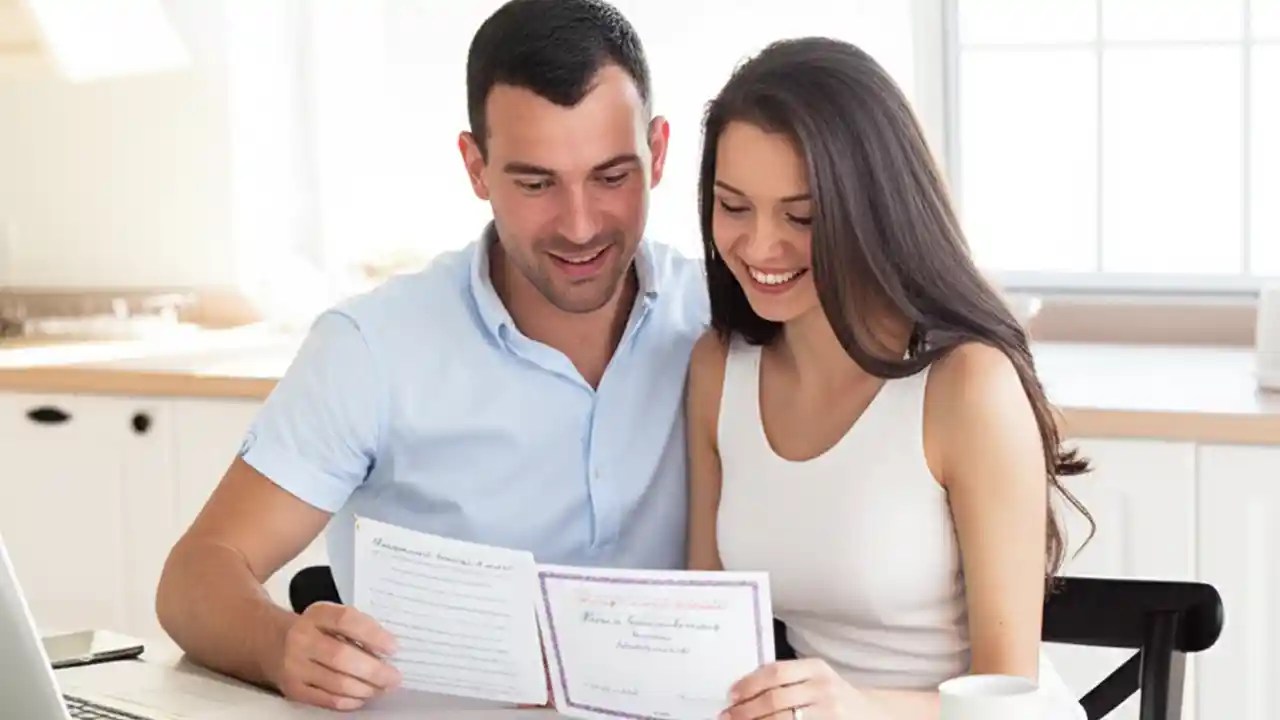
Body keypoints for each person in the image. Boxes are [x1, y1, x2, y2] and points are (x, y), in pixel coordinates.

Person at [155, 0, 707, 711]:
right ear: (475, 167)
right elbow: (196, 575)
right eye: (535, 183)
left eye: (611, 176)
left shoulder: (719, 323)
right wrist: (276, 644)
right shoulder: (372, 349)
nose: (579, 225)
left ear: (658, 152)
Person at [684, 38, 1093, 720]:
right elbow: (708, 633)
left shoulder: (966, 387)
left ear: (871, 208)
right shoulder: (718, 368)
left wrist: (856, 706)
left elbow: (1010, 698)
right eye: (733, 206)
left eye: (802, 216)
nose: (759, 246)